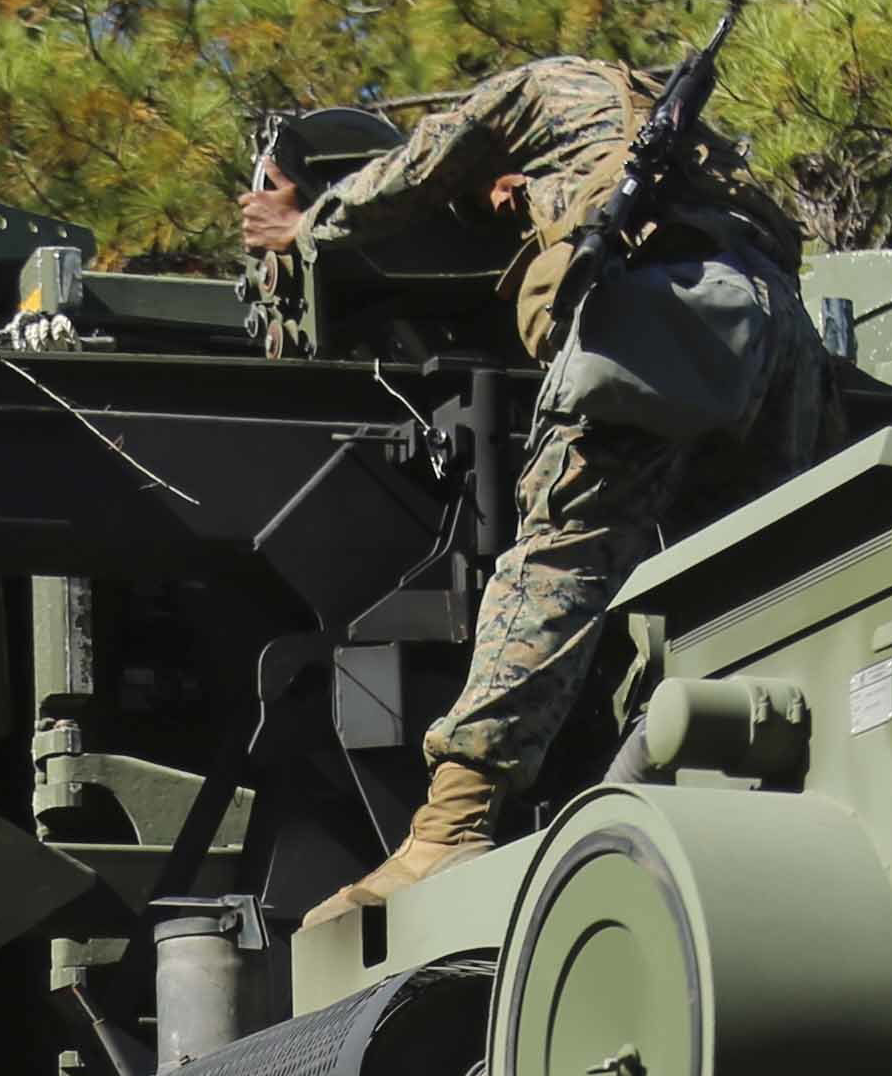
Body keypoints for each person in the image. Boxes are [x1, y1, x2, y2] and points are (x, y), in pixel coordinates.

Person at [239, 51, 825, 925]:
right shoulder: (661, 127)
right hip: (780, 338)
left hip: (667, 314)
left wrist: (306, 224)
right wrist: (523, 202)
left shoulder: (539, 85)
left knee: (561, 556)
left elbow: (422, 163)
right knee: (748, 588)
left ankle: (451, 827)